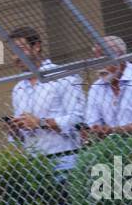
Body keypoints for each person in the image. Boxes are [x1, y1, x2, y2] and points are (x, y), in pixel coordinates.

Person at [5, 26, 84, 173]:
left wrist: (40, 122)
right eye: (12, 52)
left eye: (20, 49)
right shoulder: (18, 89)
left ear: (36, 47)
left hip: (67, 161)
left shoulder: (63, 76)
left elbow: (79, 119)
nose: (15, 57)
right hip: (36, 167)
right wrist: (15, 130)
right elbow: (22, 137)